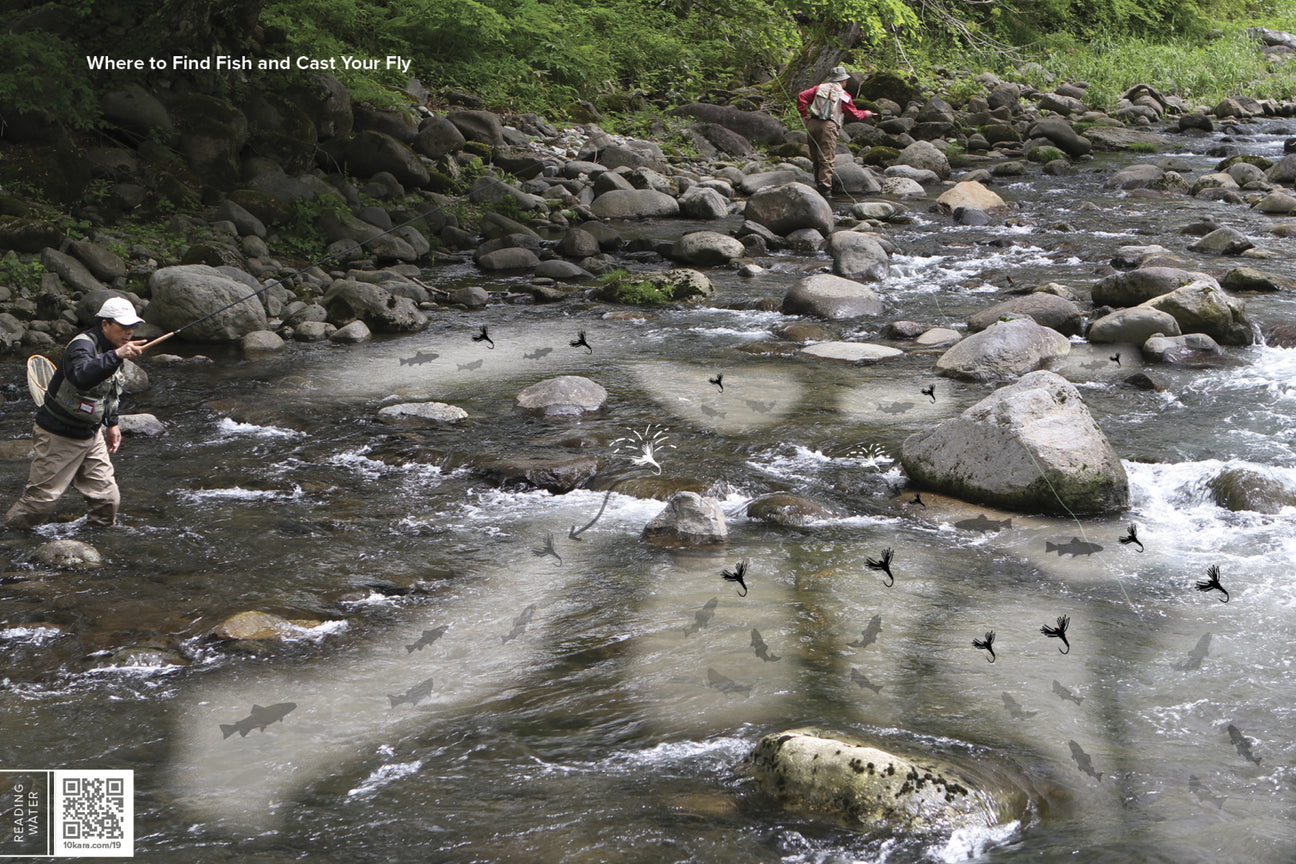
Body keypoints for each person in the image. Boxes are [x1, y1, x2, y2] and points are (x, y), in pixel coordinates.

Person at [5, 297, 146, 529]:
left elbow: (111, 392)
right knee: (40, 503)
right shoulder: (81, 346)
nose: (129, 332)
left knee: (108, 500)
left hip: (90, 435)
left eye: (132, 327)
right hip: (58, 433)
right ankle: (8, 538)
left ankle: (98, 543)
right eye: (123, 326)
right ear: (105, 324)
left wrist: (112, 424)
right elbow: (81, 376)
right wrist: (117, 355)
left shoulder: (115, 350)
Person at [796, 66, 874, 197]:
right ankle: (825, 189)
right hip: (828, 126)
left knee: (815, 157)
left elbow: (801, 97)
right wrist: (866, 113)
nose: (846, 83)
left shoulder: (818, 88)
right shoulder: (844, 95)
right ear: (842, 81)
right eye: (845, 81)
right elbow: (854, 115)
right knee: (826, 158)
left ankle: (817, 184)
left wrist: (804, 115)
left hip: (812, 124)